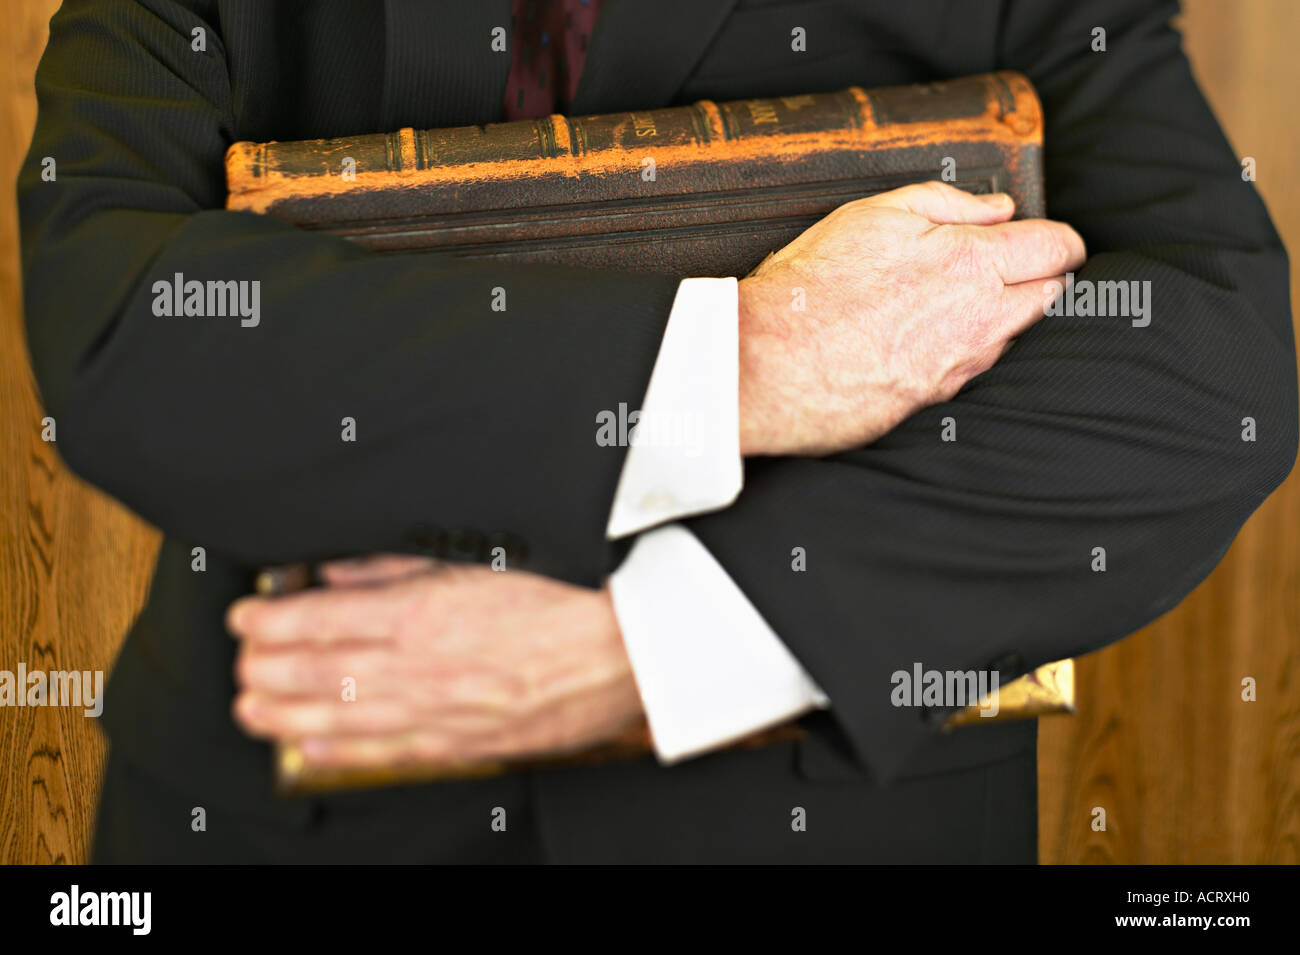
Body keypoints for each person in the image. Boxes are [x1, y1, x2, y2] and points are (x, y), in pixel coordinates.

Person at [19, 0, 1296, 863]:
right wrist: (749, 359)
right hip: (270, 794)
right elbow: (120, 333)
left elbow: (1212, 371)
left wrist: (654, 650)